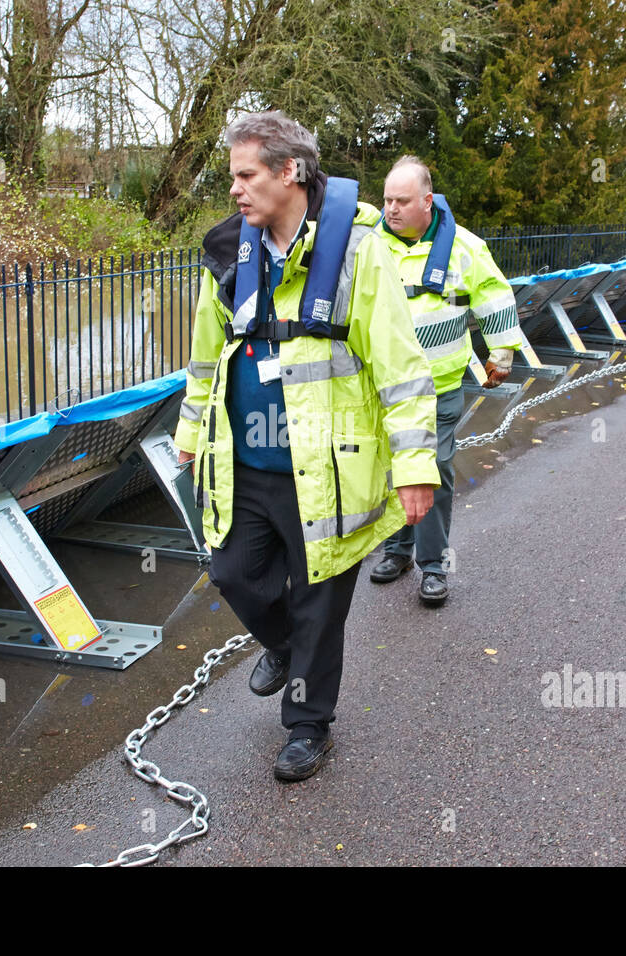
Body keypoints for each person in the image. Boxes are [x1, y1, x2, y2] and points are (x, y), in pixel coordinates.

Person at [173, 111, 439, 782]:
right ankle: (287, 647)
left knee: (321, 603)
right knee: (233, 572)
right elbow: (207, 358)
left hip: (331, 470)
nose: (234, 189)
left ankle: (307, 727)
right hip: (246, 466)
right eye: (232, 176)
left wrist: (414, 466)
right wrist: (188, 432)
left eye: (246, 175)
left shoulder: (360, 250)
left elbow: (402, 369)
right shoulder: (228, 253)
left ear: (290, 172)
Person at [368, 156, 524, 605]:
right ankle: (397, 550)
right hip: (384, 386)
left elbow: (493, 296)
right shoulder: (370, 246)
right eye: (386, 200)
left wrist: (502, 354)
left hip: (439, 384)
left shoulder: (465, 248)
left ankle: (433, 565)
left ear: (427, 201)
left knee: (430, 469)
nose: (391, 209)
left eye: (401, 201)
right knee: (391, 467)